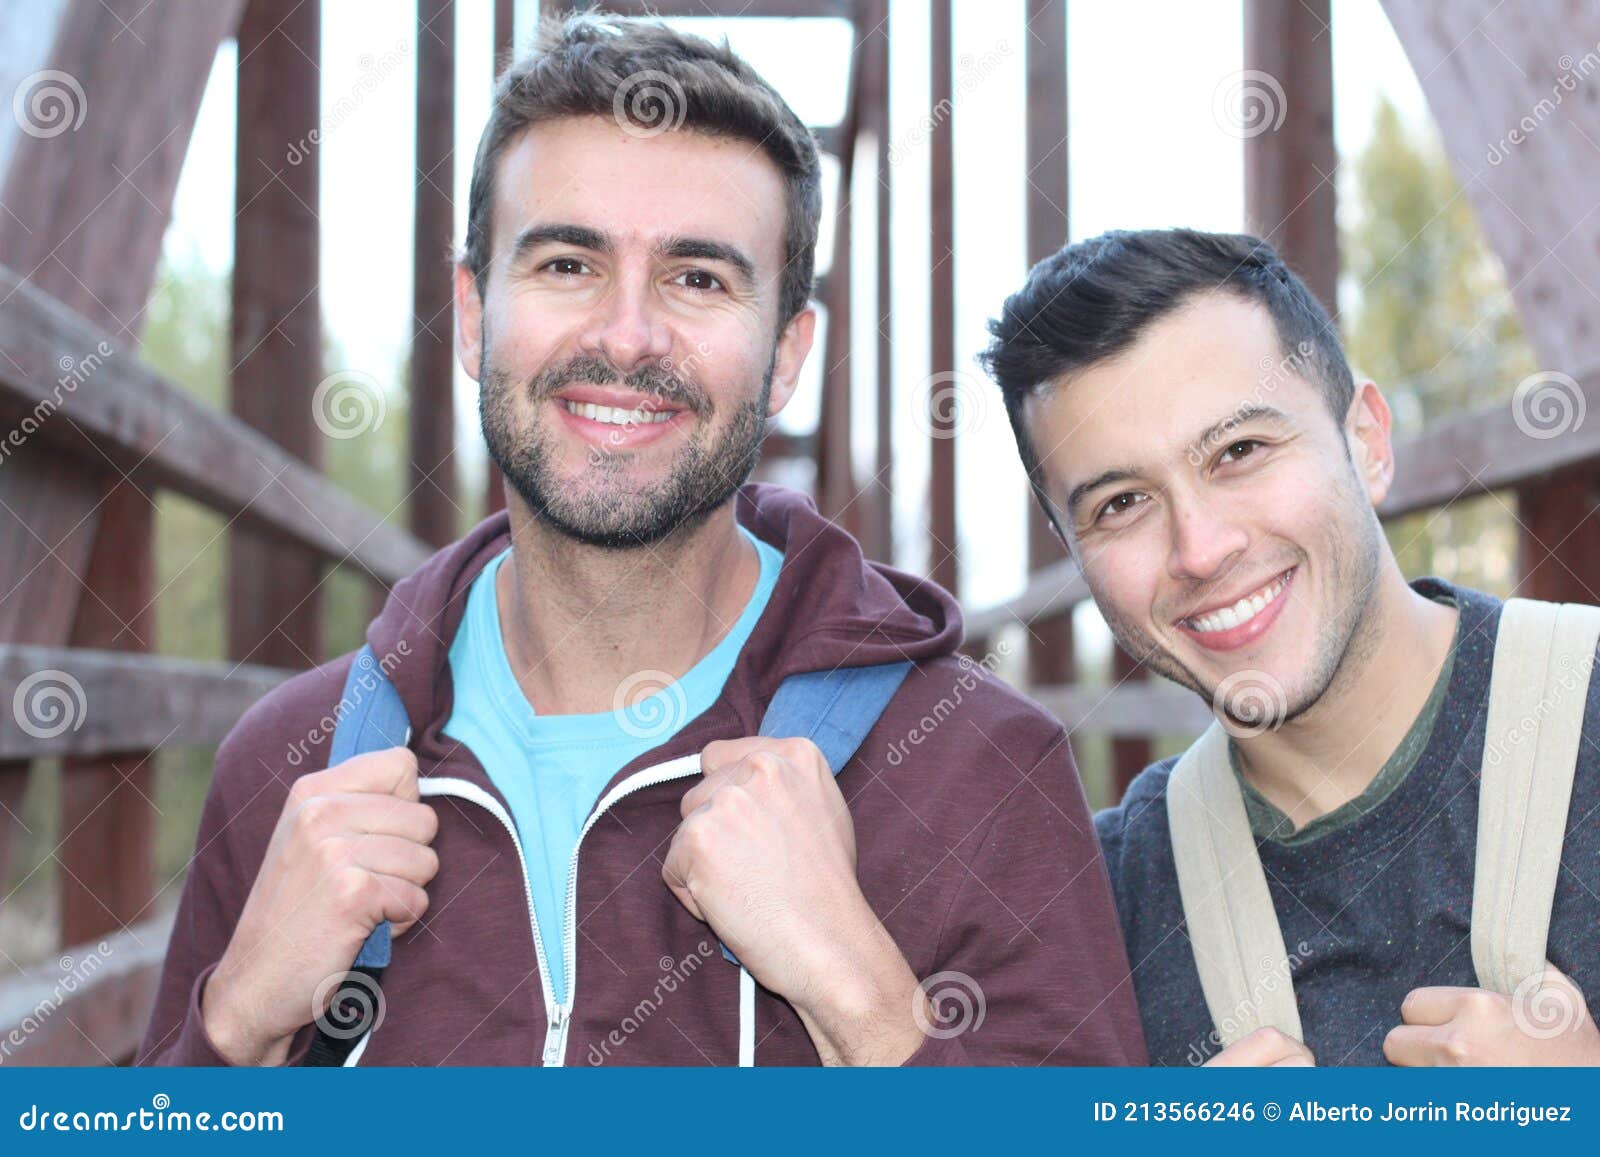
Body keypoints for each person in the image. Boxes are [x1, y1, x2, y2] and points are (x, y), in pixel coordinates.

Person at [136, 14, 1144, 1068]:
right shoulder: (290, 764)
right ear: (473, 315)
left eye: (697, 278)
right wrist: (233, 1025)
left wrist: (863, 1000)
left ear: (787, 354)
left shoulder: (975, 768)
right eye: (568, 263)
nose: (626, 337)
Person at [980, 226, 1600, 1067]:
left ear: (1368, 442)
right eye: (1121, 504)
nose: (1201, 549)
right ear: (1074, 552)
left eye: (1240, 451)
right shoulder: (1103, 910)